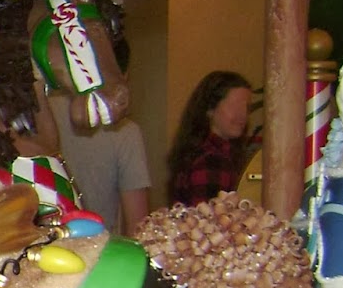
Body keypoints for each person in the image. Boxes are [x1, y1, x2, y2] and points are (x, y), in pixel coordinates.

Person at [49, 101, 152, 236]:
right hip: (99, 250)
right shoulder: (125, 131)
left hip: (37, 248)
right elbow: (138, 226)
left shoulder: (31, 120)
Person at [168, 70, 254, 205]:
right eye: (234, 106)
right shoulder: (212, 161)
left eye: (247, 107)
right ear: (210, 109)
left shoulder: (198, 151)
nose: (242, 114)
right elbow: (212, 221)